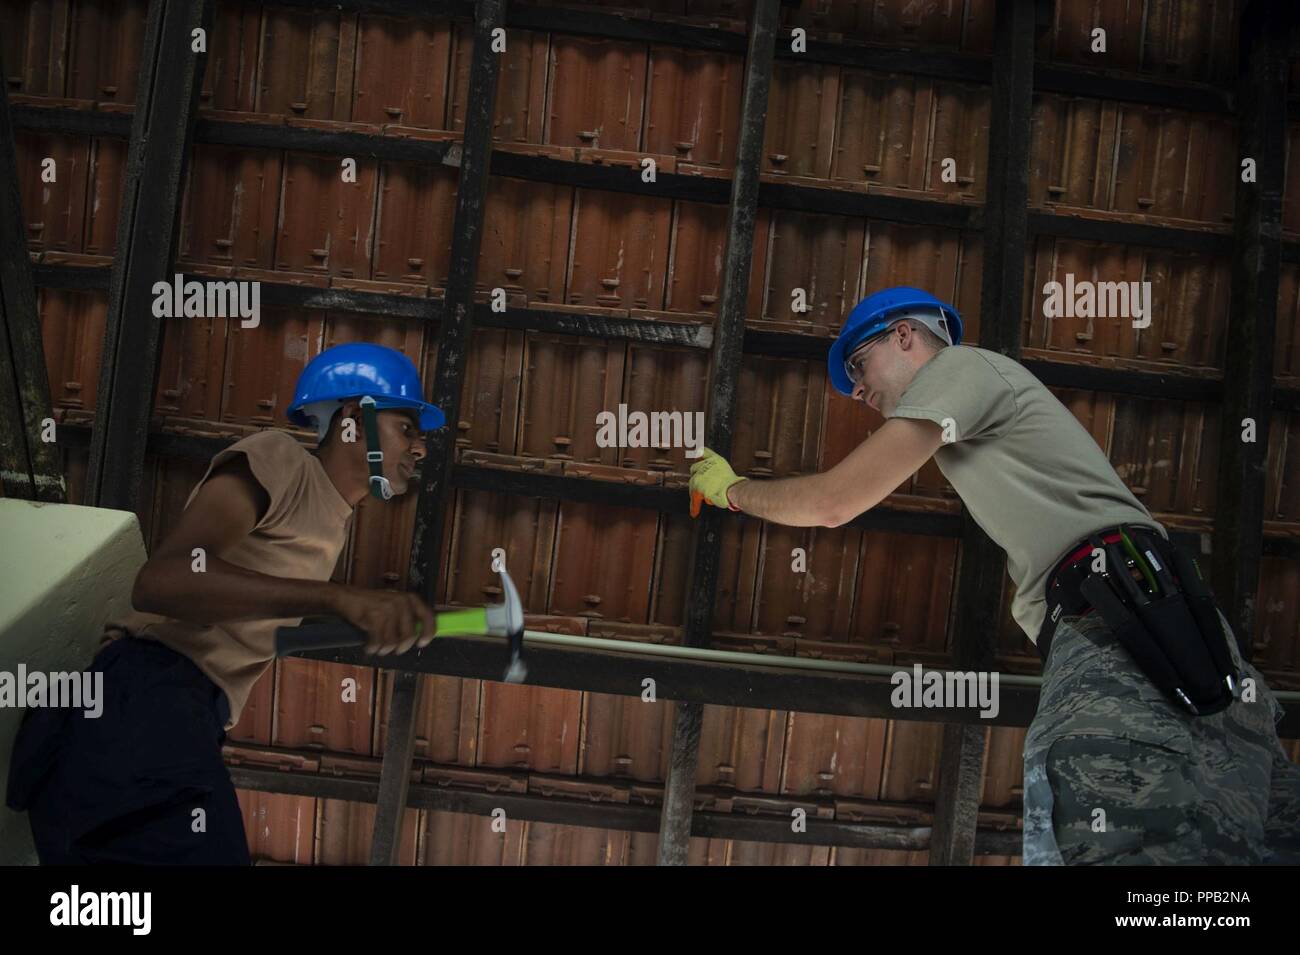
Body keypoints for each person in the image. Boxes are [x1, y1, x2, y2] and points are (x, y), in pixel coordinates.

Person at [688, 286, 1300, 865]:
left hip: (1115, 625)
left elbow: (833, 502)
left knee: (1113, 833)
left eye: (857, 363)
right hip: (1179, 633)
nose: (856, 390)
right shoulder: (977, 406)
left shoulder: (961, 369)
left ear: (905, 336)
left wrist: (734, 492)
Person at [6, 342, 444, 864]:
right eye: (407, 428)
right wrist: (338, 598)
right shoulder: (282, 459)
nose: (420, 448)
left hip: (163, 725)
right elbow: (162, 582)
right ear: (352, 418)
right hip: (145, 700)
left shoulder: (332, 523)